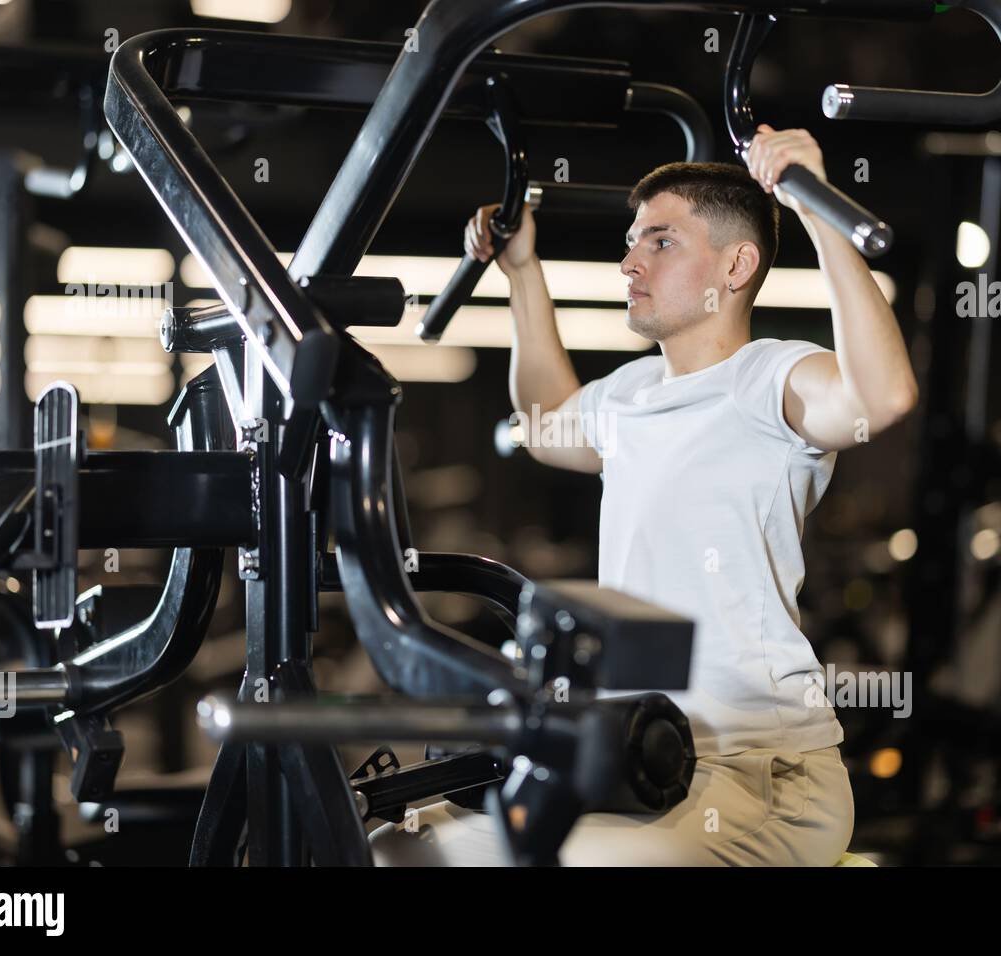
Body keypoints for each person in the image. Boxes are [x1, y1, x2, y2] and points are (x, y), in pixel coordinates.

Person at [370, 125, 918, 866]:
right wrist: (524, 271)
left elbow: (881, 396)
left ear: (737, 265)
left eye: (660, 242)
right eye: (633, 242)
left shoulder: (771, 379)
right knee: (400, 847)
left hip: (761, 775)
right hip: (643, 753)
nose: (629, 260)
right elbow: (542, 424)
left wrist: (815, 209)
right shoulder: (631, 393)